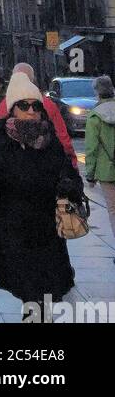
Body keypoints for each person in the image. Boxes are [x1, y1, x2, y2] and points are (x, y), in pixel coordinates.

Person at [0, 70, 85, 321]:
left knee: (46, 298)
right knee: (30, 296)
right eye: (24, 105)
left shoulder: (50, 141)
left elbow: (70, 175)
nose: (31, 110)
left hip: (48, 233)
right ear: (12, 109)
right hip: (14, 234)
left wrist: (70, 185)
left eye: (36, 105)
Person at [0, 63, 77, 167]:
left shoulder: (5, 104)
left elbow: (0, 137)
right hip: (44, 166)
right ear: (32, 80)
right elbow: (62, 137)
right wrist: (72, 164)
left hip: (13, 167)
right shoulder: (46, 104)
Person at [84, 74, 115, 260]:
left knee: (112, 210)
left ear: (97, 93)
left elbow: (91, 148)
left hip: (106, 169)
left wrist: (90, 174)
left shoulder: (95, 116)